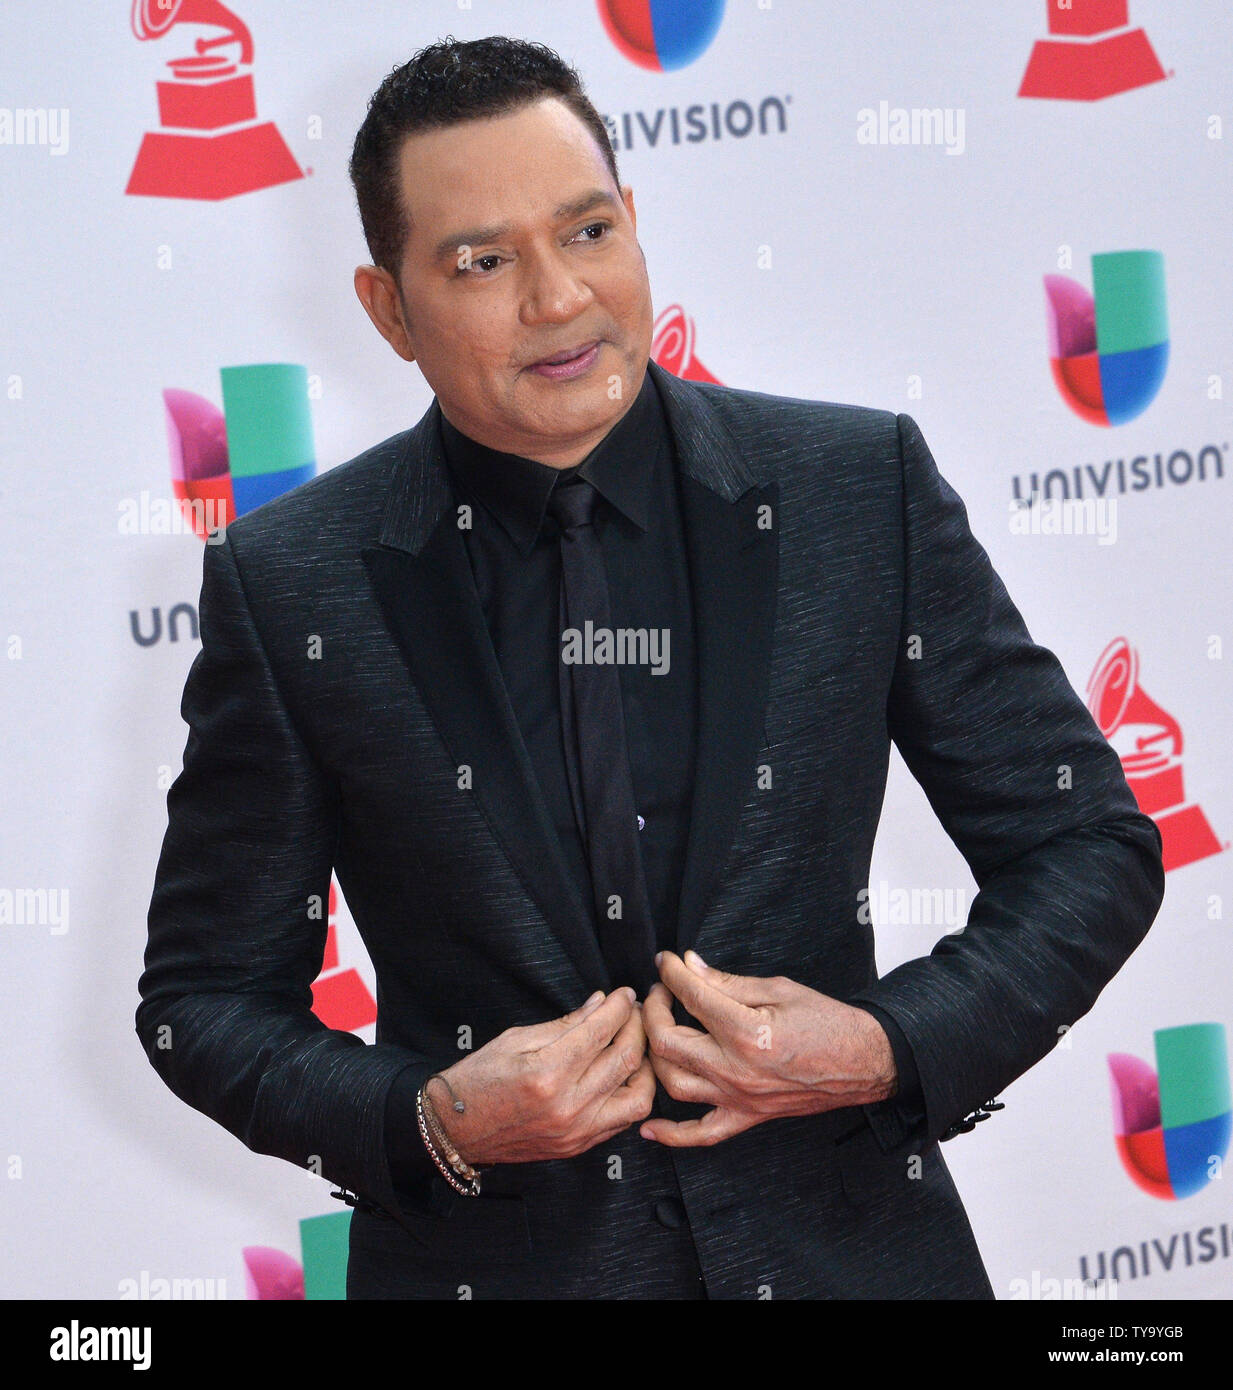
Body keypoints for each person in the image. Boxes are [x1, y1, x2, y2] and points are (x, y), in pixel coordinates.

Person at [136, 35, 1165, 1300]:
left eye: (586, 233)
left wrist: (889, 1046)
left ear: (636, 225)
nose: (559, 300)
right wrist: (434, 1119)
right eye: (482, 261)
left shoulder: (857, 491)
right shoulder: (294, 582)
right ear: (388, 308)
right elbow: (206, 998)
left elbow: (1089, 844)